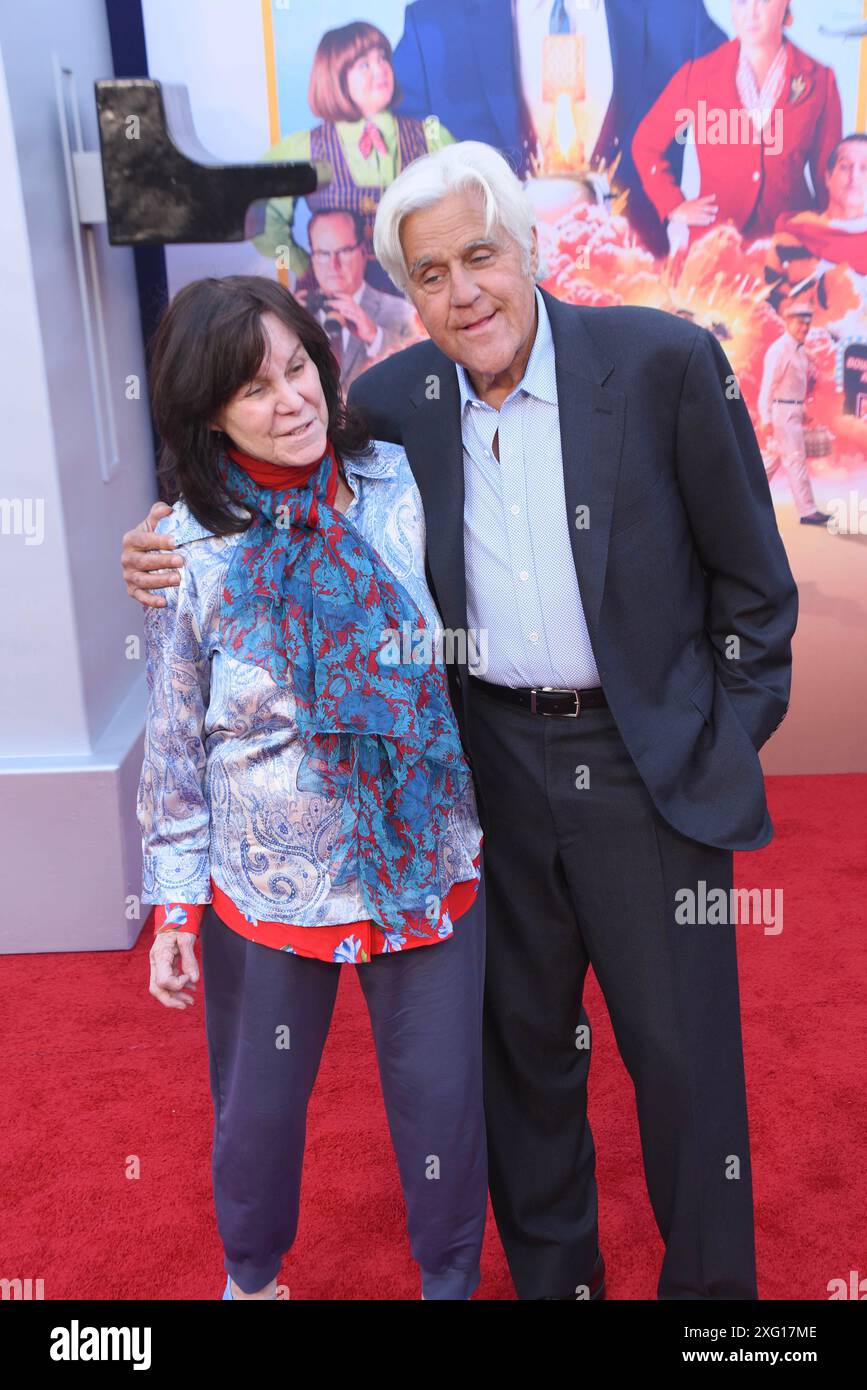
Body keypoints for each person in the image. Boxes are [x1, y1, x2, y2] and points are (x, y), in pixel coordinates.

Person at [123, 141, 798, 1302]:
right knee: (523, 1071)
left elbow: (757, 591)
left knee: (687, 1071)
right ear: (407, 294)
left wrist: (714, 739)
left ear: (526, 247)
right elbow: (262, 485)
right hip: (486, 769)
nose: (462, 291)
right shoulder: (389, 405)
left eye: (480, 255)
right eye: (429, 274)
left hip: (645, 768)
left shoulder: (665, 364)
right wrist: (162, 537)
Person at [132, 275, 486, 1301]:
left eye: (298, 369)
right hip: (267, 876)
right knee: (259, 1107)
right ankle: (252, 1278)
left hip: (425, 855)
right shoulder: (184, 547)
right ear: (206, 412)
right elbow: (171, 743)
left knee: (443, 1103)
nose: (291, 401)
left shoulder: (396, 483)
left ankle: (449, 1282)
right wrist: (174, 906)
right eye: (254, 388)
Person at [391, 0, 726, 256]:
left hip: (640, 296)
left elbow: (751, 116)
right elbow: (393, 164)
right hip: (488, 306)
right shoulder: (434, 22)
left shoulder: (677, 13)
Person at [251, 20, 454, 293]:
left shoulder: (430, 135)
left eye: (382, 59)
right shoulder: (305, 148)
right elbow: (260, 220)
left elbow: (466, 204)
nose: (380, 70)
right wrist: (300, 265)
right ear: (336, 77)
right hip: (341, 310)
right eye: (364, 65)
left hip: (420, 297)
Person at [632, 0, 842, 254]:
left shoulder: (819, 80)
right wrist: (673, 205)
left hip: (790, 250)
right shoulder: (697, 76)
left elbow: (829, 179)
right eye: (741, 2)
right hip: (714, 251)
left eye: (763, 1)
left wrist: (829, 248)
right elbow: (645, 144)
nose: (751, 13)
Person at [298, 208, 420, 390]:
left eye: (344, 251)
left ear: (363, 252)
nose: (333, 265)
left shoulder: (401, 311)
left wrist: (375, 336)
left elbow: (421, 377)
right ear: (313, 257)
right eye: (323, 253)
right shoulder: (296, 315)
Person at [758, 299, 832, 525]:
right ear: (788, 322)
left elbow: (796, 387)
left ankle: (739, 496)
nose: (805, 327)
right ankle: (808, 511)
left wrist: (804, 411)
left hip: (792, 411)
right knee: (795, 460)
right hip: (781, 414)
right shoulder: (779, 350)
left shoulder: (800, 351)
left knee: (770, 462)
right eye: (800, 322)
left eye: (808, 323)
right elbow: (767, 386)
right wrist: (766, 417)